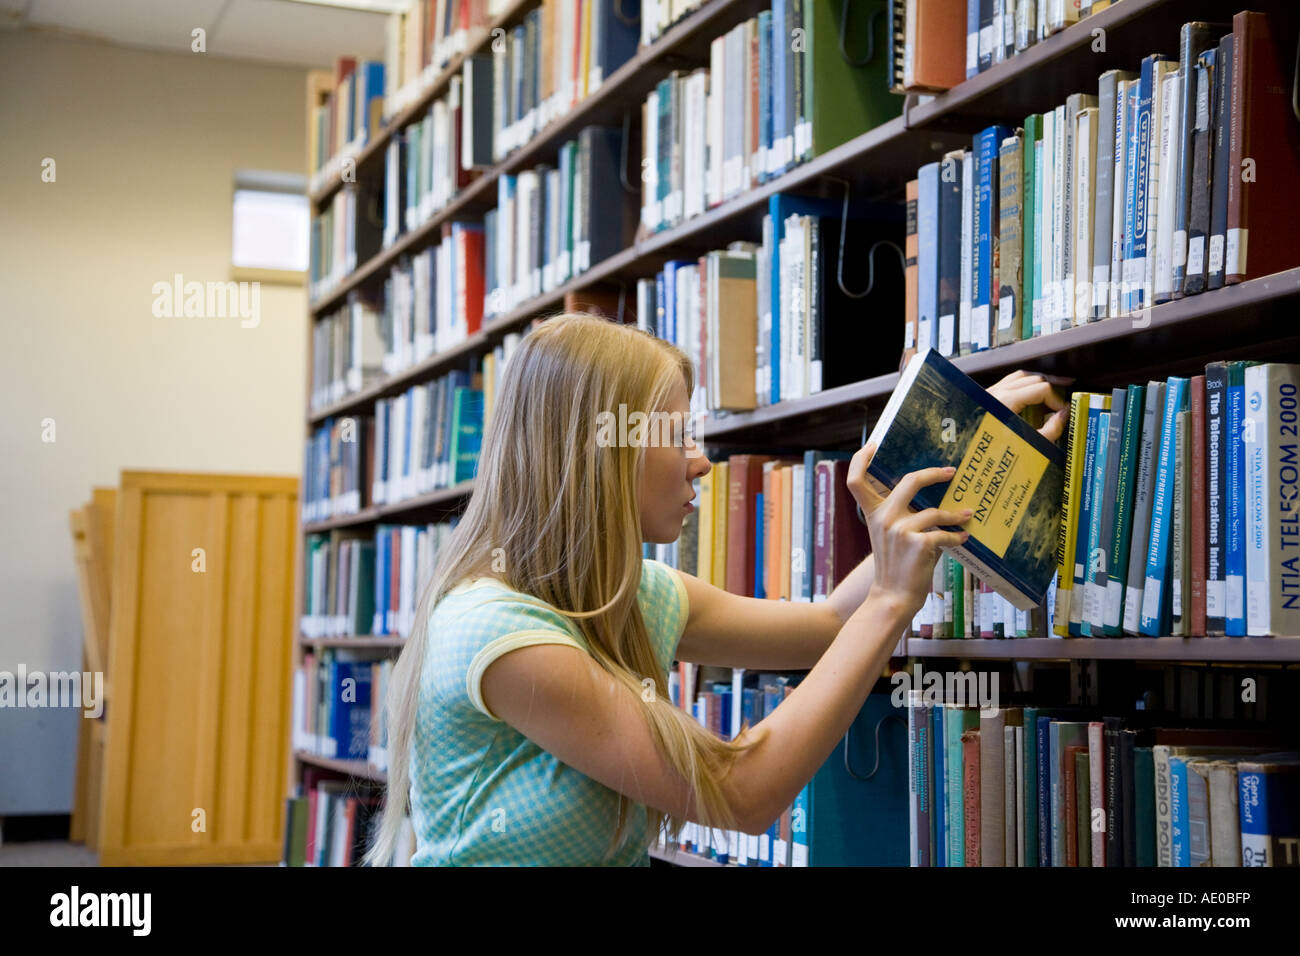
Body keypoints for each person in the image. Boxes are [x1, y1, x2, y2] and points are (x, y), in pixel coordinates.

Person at [364, 312, 1069, 866]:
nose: (702, 463)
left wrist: (951, 459)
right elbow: (738, 794)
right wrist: (891, 601)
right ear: (599, 454)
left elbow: (825, 627)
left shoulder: (632, 593)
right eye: (678, 436)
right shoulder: (498, 632)